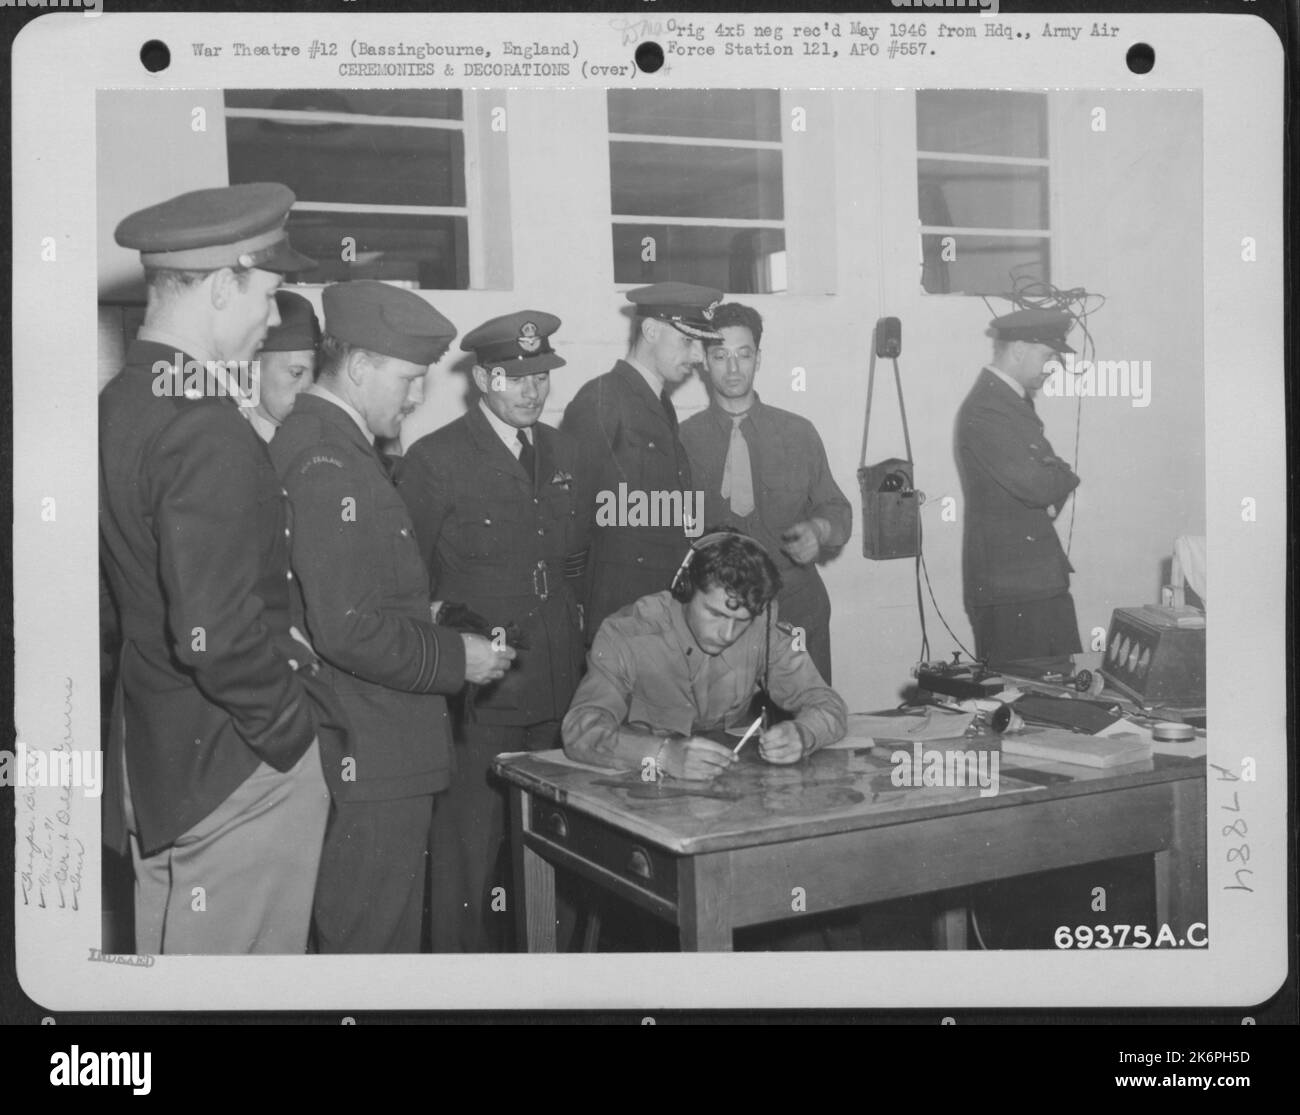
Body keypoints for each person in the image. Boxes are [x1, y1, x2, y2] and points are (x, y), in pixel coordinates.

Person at [99, 182, 341, 954]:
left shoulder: (120, 403)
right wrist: (287, 731)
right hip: (237, 768)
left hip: (160, 759)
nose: (272, 320)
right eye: (268, 295)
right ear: (218, 287)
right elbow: (213, 633)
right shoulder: (207, 428)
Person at [269, 280, 516, 953]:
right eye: (409, 379)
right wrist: (455, 658)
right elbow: (346, 627)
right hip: (370, 745)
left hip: (369, 738)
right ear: (357, 366)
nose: (415, 398)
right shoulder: (329, 460)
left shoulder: (330, 444)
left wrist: (430, 613)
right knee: (370, 947)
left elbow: (356, 590)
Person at [395, 310, 590, 952]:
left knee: (559, 866)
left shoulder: (566, 454)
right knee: (467, 872)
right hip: (480, 703)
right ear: (483, 378)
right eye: (514, 376)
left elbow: (573, 568)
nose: (531, 390)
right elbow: (410, 590)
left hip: (557, 691)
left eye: (541, 375)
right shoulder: (435, 461)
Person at [563, 531, 847, 778]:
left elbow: (828, 704)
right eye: (714, 613)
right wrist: (662, 755)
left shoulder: (763, 630)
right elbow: (580, 731)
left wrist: (803, 734)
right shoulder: (627, 634)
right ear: (685, 589)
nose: (727, 633)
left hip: (724, 783)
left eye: (742, 620)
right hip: (639, 779)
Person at [679, 301, 853, 683]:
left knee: (807, 725)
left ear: (759, 358)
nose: (733, 367)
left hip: (795, 610)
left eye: (744, 354)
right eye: (720, 355)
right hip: (719, 622)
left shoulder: (797, 433)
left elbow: (837, 508)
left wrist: (818, 531)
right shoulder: (683, 441)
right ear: (704, 361)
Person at [560, 282, 723, 641]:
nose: (698, 356)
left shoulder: (657, 401)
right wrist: (578, 604)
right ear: (650, 330)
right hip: (620, 608)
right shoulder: (602, 399)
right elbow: (570, 516)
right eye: (687, 341)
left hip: (660, 600)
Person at [955, 308, 1082, 671]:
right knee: (1034, 695)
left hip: (1028, 583)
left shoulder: (1008, 401)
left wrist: (1054, 476)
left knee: (1057, 691)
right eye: (1048, 356)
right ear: (1020, 349)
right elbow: (1039, 485)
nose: (1051, 367)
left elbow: (1042, 478)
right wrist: (1064, 477)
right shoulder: (990, 408)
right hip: (1015, 590)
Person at [246, 289, 320, 442]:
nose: (308, 388)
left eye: (314, 374)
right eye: (296, 373)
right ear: (252, 367)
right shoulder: (229, 436)